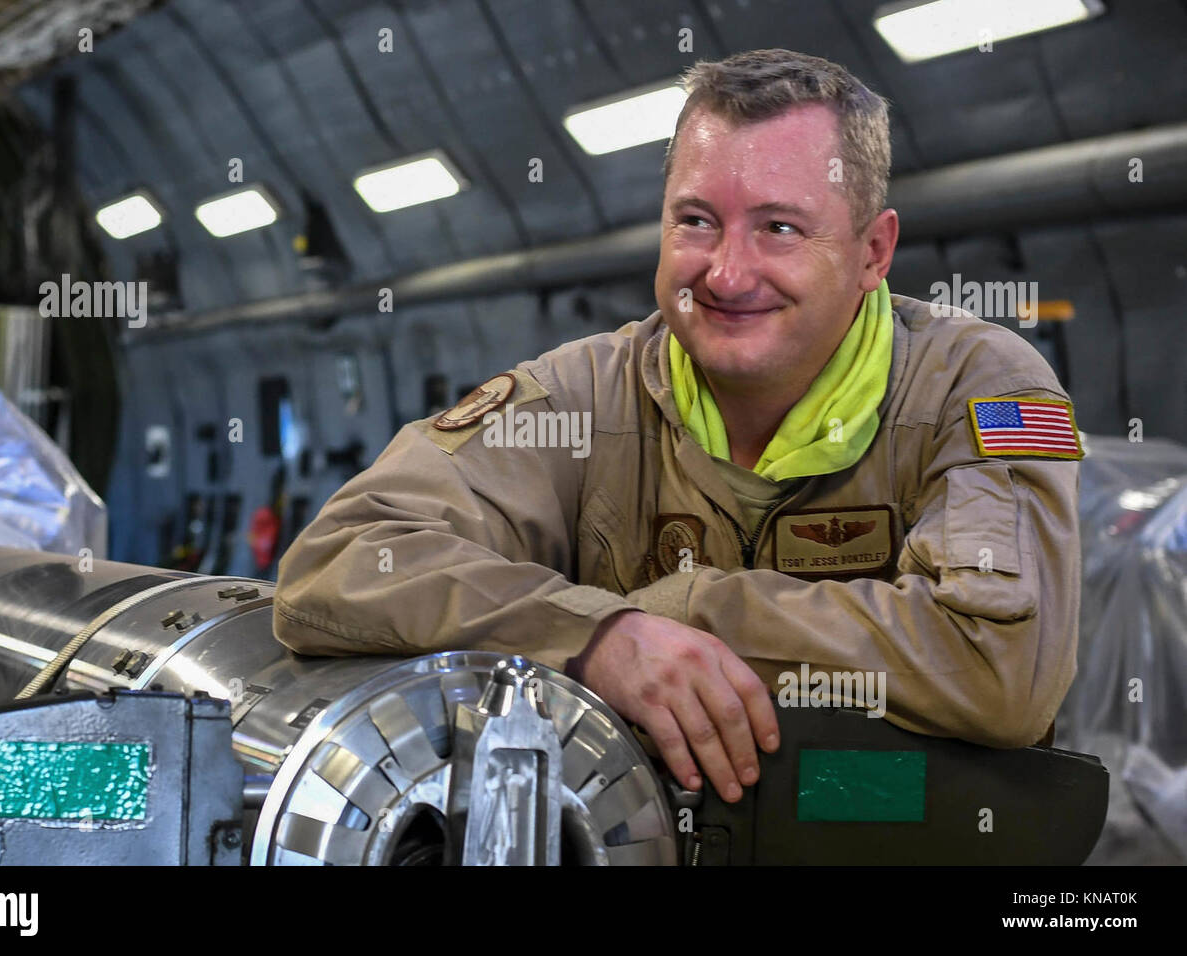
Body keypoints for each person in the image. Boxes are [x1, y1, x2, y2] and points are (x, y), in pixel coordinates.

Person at [273, 49, 1083, 805]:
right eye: (696, 220)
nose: (727, 273)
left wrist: (689, 611)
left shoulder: (971, 384)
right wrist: (599, 637)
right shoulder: (583, 399)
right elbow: (339, 564)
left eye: (780, 228)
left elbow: (1000, 665)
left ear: (874, 250)